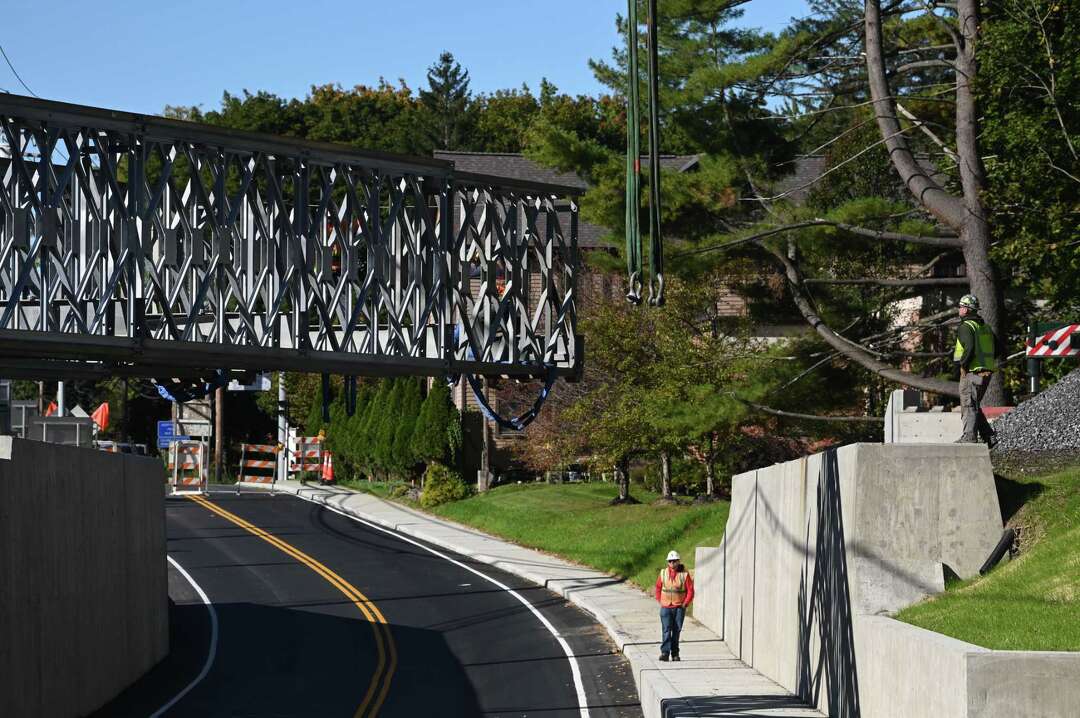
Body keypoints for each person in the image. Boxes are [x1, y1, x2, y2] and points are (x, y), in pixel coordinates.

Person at [952, 294, 1001, 446]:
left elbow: (969, 348)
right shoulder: (985, 327)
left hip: (972, 373)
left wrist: (963, 366)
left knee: (968, 404)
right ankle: (989, 436)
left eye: (960, 307)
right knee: (973, 405)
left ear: (966, 310)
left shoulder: (965, 327)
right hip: (986, 373)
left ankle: (969, 437)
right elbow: (998, 349)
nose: (959, 309)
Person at [654, 549, 694, 662]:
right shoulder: (663, 573)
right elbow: (658, 587)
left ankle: (675, 654)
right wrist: (659, 600)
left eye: (675, 561)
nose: (672, 563)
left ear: (678, 561)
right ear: (668, 562)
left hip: (679, 607)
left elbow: (690, 590)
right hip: (666, 607)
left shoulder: (684, 575)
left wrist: (685, 603)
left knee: (676, 631)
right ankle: (665, 653)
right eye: (670, 561)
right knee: (666, 630)